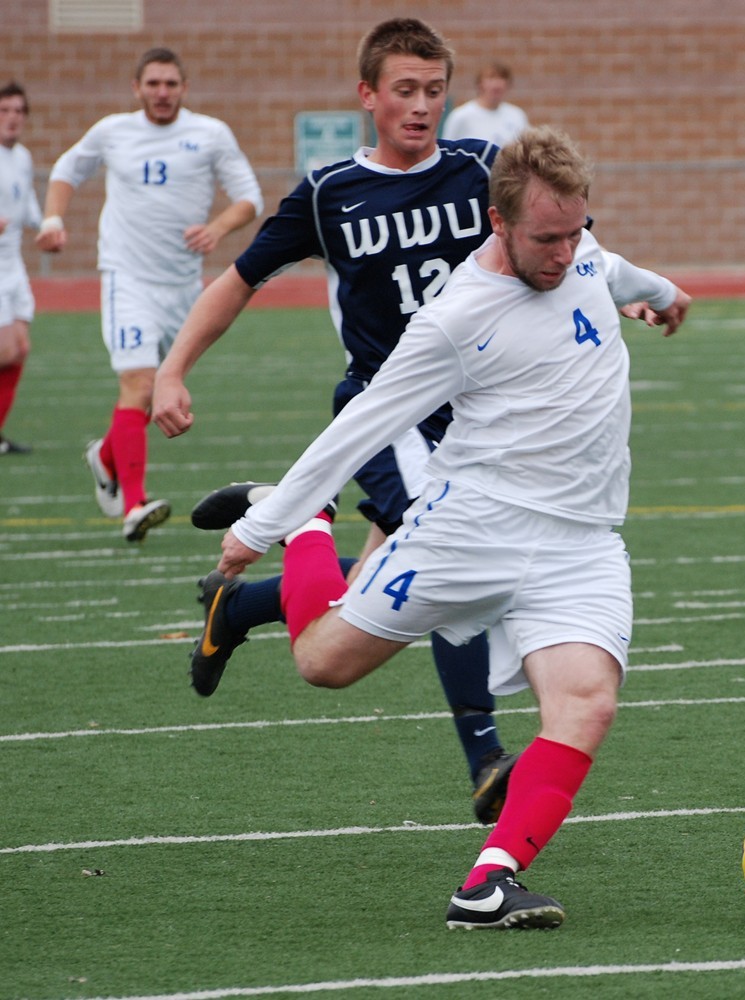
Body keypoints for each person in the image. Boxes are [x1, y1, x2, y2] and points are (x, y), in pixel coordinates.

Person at [199, 125, 691, 929]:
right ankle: (312, 532)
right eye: (547, 239)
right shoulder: (455, 319)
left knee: (586, 705)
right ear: (499, 224)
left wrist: (664, 294)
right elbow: (360, 425)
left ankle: (488, 882)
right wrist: (266, 523)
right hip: (472, 527)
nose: (566, 254)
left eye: (576, 232)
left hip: (583, 543)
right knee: (322, 662)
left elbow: (613, 267)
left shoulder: (582, 253)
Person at [151, 18, 519, 825]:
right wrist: (172, 369)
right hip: (381, 412)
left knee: (365, 607)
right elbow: (239, 280)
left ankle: (242, 598)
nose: (421, 107)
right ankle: (486, 754)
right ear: (368, 96)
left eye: (433, 91)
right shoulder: (331, 191)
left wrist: (634, 288)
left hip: (473, 421)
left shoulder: (483, 170)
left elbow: (568, 244)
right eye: (405, 91)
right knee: (449, 555)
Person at [38, 49, 263, 540]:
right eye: (153, 83)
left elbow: (250, 197)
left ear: (184, 88)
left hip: (183, 286)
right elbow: (66, 170)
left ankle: (105, 456)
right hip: (127, 278)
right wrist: (54, 219)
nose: (162, 92)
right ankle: (133, 505)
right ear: (136, 87)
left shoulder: (210, 134)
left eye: (171, 84)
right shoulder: (112, 131)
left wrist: (218, 227)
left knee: (153, 392)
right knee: (140, 385)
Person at [0, 81, 41, 455]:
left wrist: (46, 228)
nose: (12, 118)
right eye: (5, 110)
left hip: (13, 265)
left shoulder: (22, 157)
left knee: (19, 348)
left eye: (18, 111)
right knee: (4, 350)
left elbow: (27, 206)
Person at [440, 62, 529, 147]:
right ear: (480, 84)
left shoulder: (517, 115)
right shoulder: (461, 116)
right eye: (491, 78)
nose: (496, 85)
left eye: (501, 79)